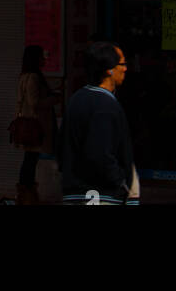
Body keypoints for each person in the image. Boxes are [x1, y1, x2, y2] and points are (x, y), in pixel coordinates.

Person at [59, 42, 138, 206]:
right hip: (99, 196)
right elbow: (100, 155)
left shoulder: (76, 99)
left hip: (75, 194)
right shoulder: (104, 106)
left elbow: (60, 149)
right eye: (122, 64)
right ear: (109, 69)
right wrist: (122, 183)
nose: (125, 69)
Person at [13, 45, 57, 205]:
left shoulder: (24, 76)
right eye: (41, 56)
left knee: (29, 160)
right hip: (34, 127)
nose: (44, 59)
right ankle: (27, 196)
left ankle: (25, 195)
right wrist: (53, 99)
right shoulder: (33, 77)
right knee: (30, 161)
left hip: (27, 126)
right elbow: (34, 102)